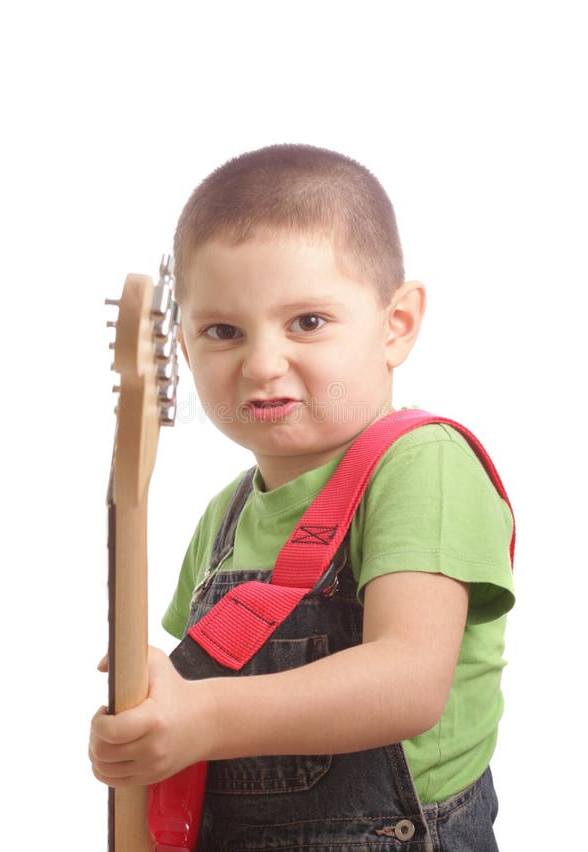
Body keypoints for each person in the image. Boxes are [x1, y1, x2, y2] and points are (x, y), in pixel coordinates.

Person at [90, 144, 515, 850]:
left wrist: (204, 717)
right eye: (222, 331)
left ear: (396, 324)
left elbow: (408, 679)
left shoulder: (421, 464)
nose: (261, 363)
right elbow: (193, 722)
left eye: (307, 322)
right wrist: (148, 731)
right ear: (186, 354)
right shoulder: (222, 520)